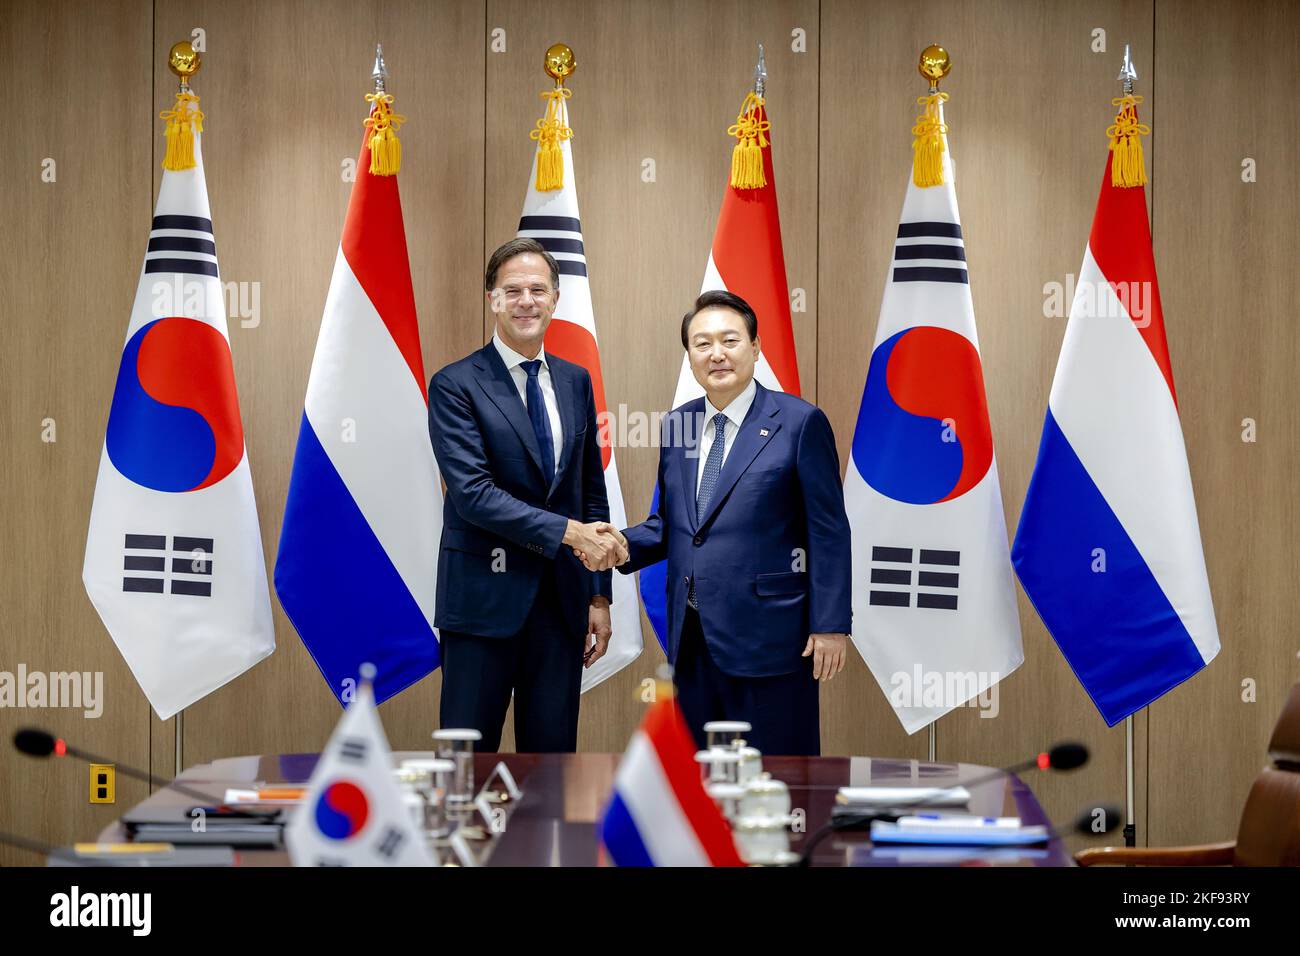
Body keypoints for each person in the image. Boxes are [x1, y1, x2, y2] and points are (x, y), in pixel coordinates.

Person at [584, 290, 851, 755]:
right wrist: (619, 545)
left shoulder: (799, 422)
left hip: (772, 639)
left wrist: (830, 624)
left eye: (730, 340)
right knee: (701, 789)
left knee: (777, 780)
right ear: (689, 357)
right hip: (692, 639)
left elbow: (827, 531)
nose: (717, 354)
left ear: (756, 347)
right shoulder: (678, 426)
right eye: (702, 344)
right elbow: (675, 525)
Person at [427, 238, 627, 752]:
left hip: (560, 605)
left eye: (538, 289)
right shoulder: (455, 384)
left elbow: (590, 494)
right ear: (492, 299)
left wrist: (599, 595)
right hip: (481, 603)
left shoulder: (575, 381)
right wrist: (567, 532)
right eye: (512, 290)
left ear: (556, 299)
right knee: (466, 764)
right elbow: (472, 494)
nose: (526, 301)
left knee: (552, 767)